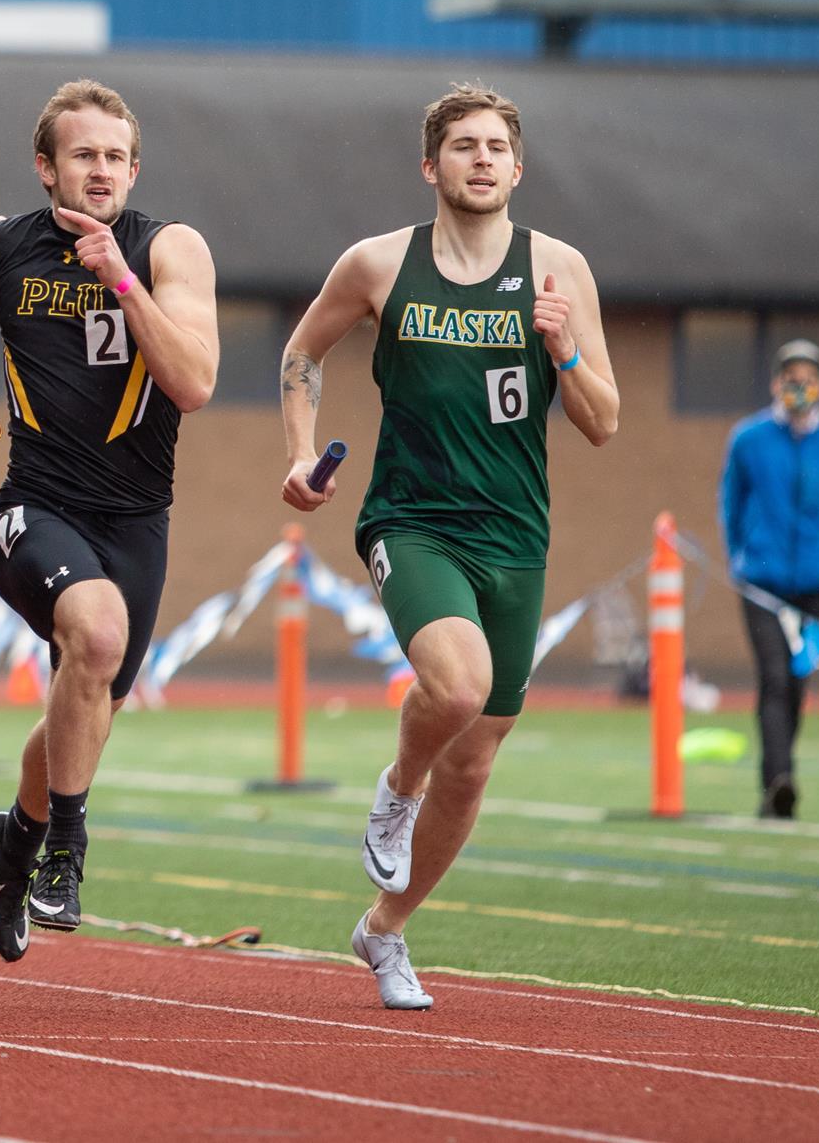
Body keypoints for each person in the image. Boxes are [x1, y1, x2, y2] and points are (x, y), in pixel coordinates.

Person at [279, 84, 618, 1010]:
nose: (480, 159)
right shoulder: (380, 265)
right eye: (462, 146)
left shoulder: (559, 272)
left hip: (517, 534)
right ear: (431, 166)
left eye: (495, 147)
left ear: (518, 166)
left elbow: (604, 422)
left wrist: (567, 353)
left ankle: (384, 930)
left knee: (476, 758)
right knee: (457, 688)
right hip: (412, 521)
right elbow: (303, 352)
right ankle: (396, 785)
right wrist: (302, 453)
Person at [0, 79, 218, 964]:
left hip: (136, 521)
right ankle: (65, 858)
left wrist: (120, 278)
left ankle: (15, 847)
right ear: (46, 167)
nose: (102, 171)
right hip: (33, 508)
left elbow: (193, 383)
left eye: (116, 157)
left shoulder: (168, 249)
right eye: (84, 155)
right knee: (96, 629)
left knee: (87, 699)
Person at [718, 339, 819, 819]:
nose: (800, 386)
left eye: (808, 377)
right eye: (790, 377)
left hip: (813, 582)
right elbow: (732, 504)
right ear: (777, 382)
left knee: (798, 681)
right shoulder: (748, 439)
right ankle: (780, 779)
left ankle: (778, 781)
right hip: (760, 580)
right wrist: (741, 553)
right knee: (773, 677)